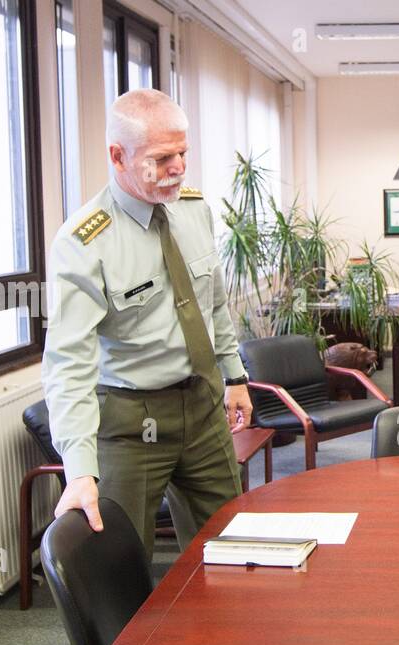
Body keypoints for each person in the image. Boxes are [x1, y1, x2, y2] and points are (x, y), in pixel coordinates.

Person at [42, 89, 253, 559]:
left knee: (232, 546)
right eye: (161, 158)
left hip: (201, 407)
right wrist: (79, 469)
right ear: (117, 156)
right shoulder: (83, 242)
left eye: (183, 153)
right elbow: (68, 363)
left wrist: (234, 375)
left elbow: (212, 304)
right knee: (121, 565)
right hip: (130, 420)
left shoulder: (193, 208)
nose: (178, 168)